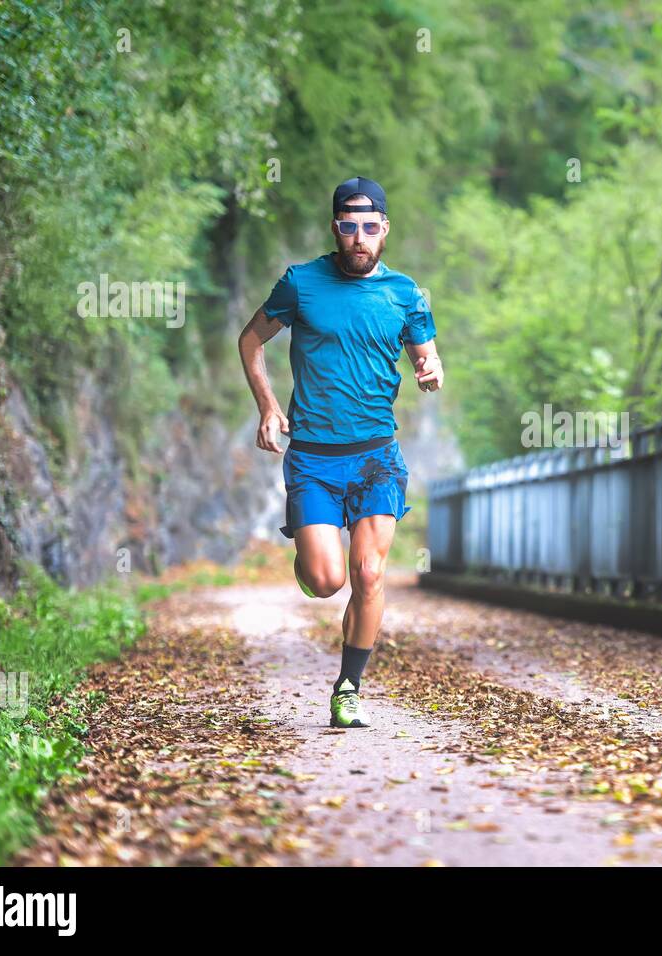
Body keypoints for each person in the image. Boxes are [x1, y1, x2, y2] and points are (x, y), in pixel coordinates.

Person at [237, 175, 443, 728]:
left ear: (384, 231)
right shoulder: (301, 284)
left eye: (370, 228)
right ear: (335, 228)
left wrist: (430, 367)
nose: (359, 238)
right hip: (313, 458)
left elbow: (428, 354)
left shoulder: (405, 293)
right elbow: (251, 340)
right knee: (329, 581)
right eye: (349, 227)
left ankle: (348, 686)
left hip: (377, 455)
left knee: (370, 575)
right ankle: (310, 557)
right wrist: (267, 405)